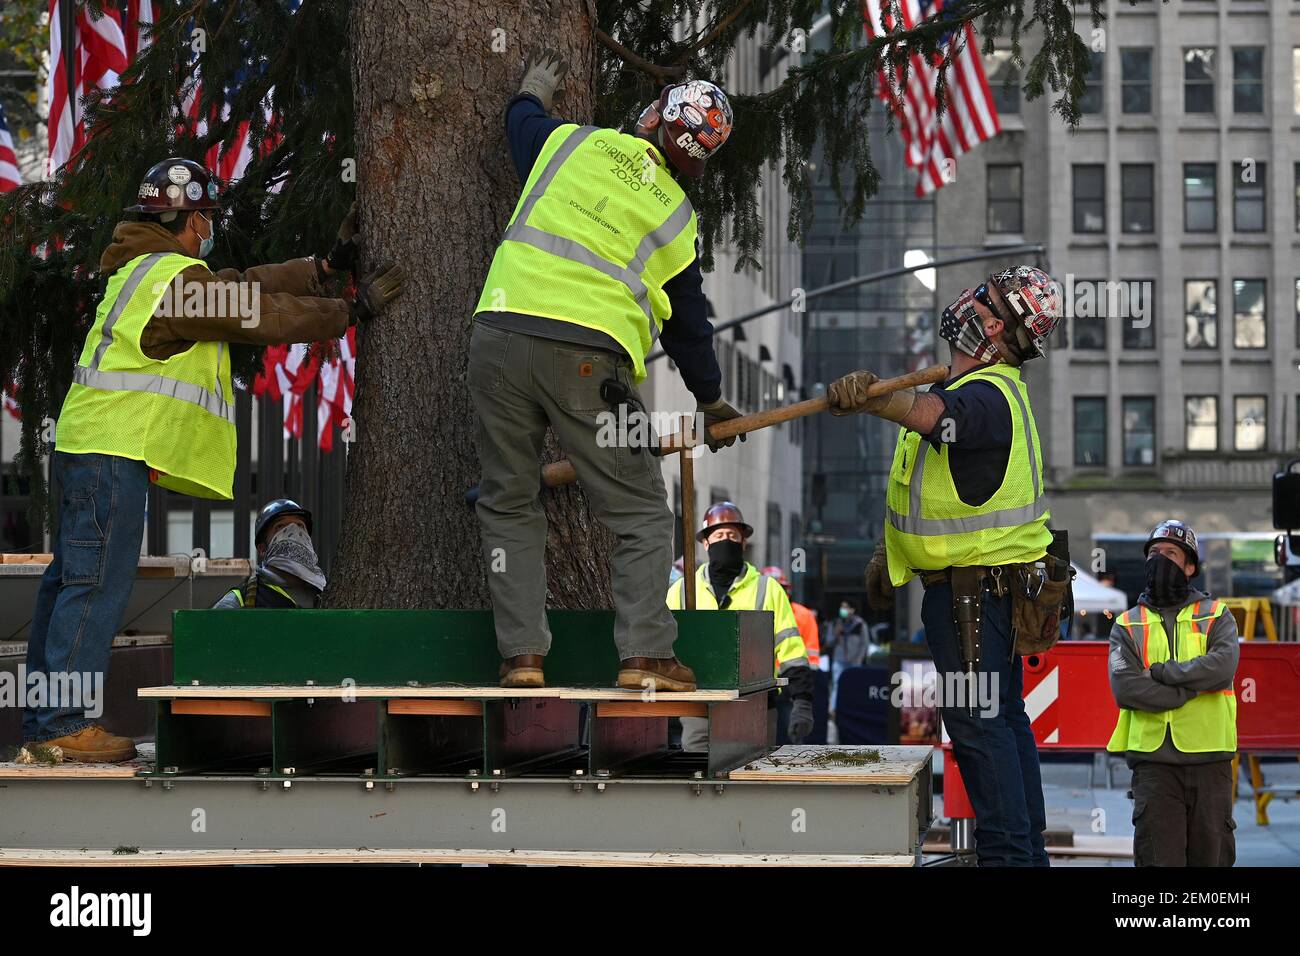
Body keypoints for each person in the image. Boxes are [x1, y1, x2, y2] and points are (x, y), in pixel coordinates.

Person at [21, 158, 406, 762]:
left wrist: (323, 269)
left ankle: (47, 722)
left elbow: (244, 284)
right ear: (186, 217)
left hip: (88, 447)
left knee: (67, 584)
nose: (209, 227)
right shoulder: (174, 282)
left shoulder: (147, 271)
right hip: (112, 451)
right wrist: (349, 314)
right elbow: (256, 313)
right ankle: (61, 726)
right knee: (92, 587)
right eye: (205, 216)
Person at [469, 52, 742, 691]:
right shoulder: (675, 213)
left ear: (650, 117)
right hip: (589, 363)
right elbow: (688, 324)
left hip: (498, 338)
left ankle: (523, 659)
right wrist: (711, 400)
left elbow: (521, 124)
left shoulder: (568, 145)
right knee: (642, 511)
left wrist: (532, 86)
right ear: (692, 161)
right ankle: (644, 655)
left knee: (508, 501)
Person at [828, 265, 1065, 867]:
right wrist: (892, 552)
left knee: (981, 729)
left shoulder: (987, 396)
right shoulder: (979, 390)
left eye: (985, 300)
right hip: (984, 594)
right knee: (1000, 720)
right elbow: (937, 488)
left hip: (974, 601)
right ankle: (1023, 854)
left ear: (996, 327)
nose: (970, 301)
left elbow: (933, 418)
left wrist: (875, 398)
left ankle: (1010, 858)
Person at [1106, 520, 1239, 867]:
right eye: (1154, 553)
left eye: (1170, 553)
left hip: (1211, 761)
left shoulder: (1217, 616)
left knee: (1212, 861)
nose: (1159, 559)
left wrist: (1165, 673)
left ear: (1190, 566)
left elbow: (1222, 667)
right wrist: (1186, 693)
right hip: (1154, 766)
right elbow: (1127, 688)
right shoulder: (1125, 625)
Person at [667, 503, 814, 751]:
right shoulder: (682, 591)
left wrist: (802, 701)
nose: (727, 541)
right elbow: (665, 644)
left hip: (755, 705)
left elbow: (790, 648)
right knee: (698, 779)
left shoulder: (768, 589)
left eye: (733, 536)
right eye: (719, 536)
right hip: (699, 704)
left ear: (744, 543)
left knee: (752, 779)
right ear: (706, 543)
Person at [213, 499, 325, 609]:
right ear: (262, 548)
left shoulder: (329, 590)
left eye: (300, 525)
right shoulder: (241, 600)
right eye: (280, 526)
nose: (294, 532)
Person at [761, 565, 820, 667]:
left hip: (794, 676)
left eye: (780, 588)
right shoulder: (752, 614)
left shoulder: (804, 615)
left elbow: (812, 652)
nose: (777, 593)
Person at [823, 599, 869, 715]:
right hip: (839, 660)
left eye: (845, 607)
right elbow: (828, 642)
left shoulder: (860, 624)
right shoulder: (835, 623)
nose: (842, 610)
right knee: (837, 684)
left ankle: (854, 709)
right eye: (841, 607)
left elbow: (865, 643)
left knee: (855, 685)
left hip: (855, 660)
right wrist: (836, 633)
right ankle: (833, 710)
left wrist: (859, 658)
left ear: (852, 610)